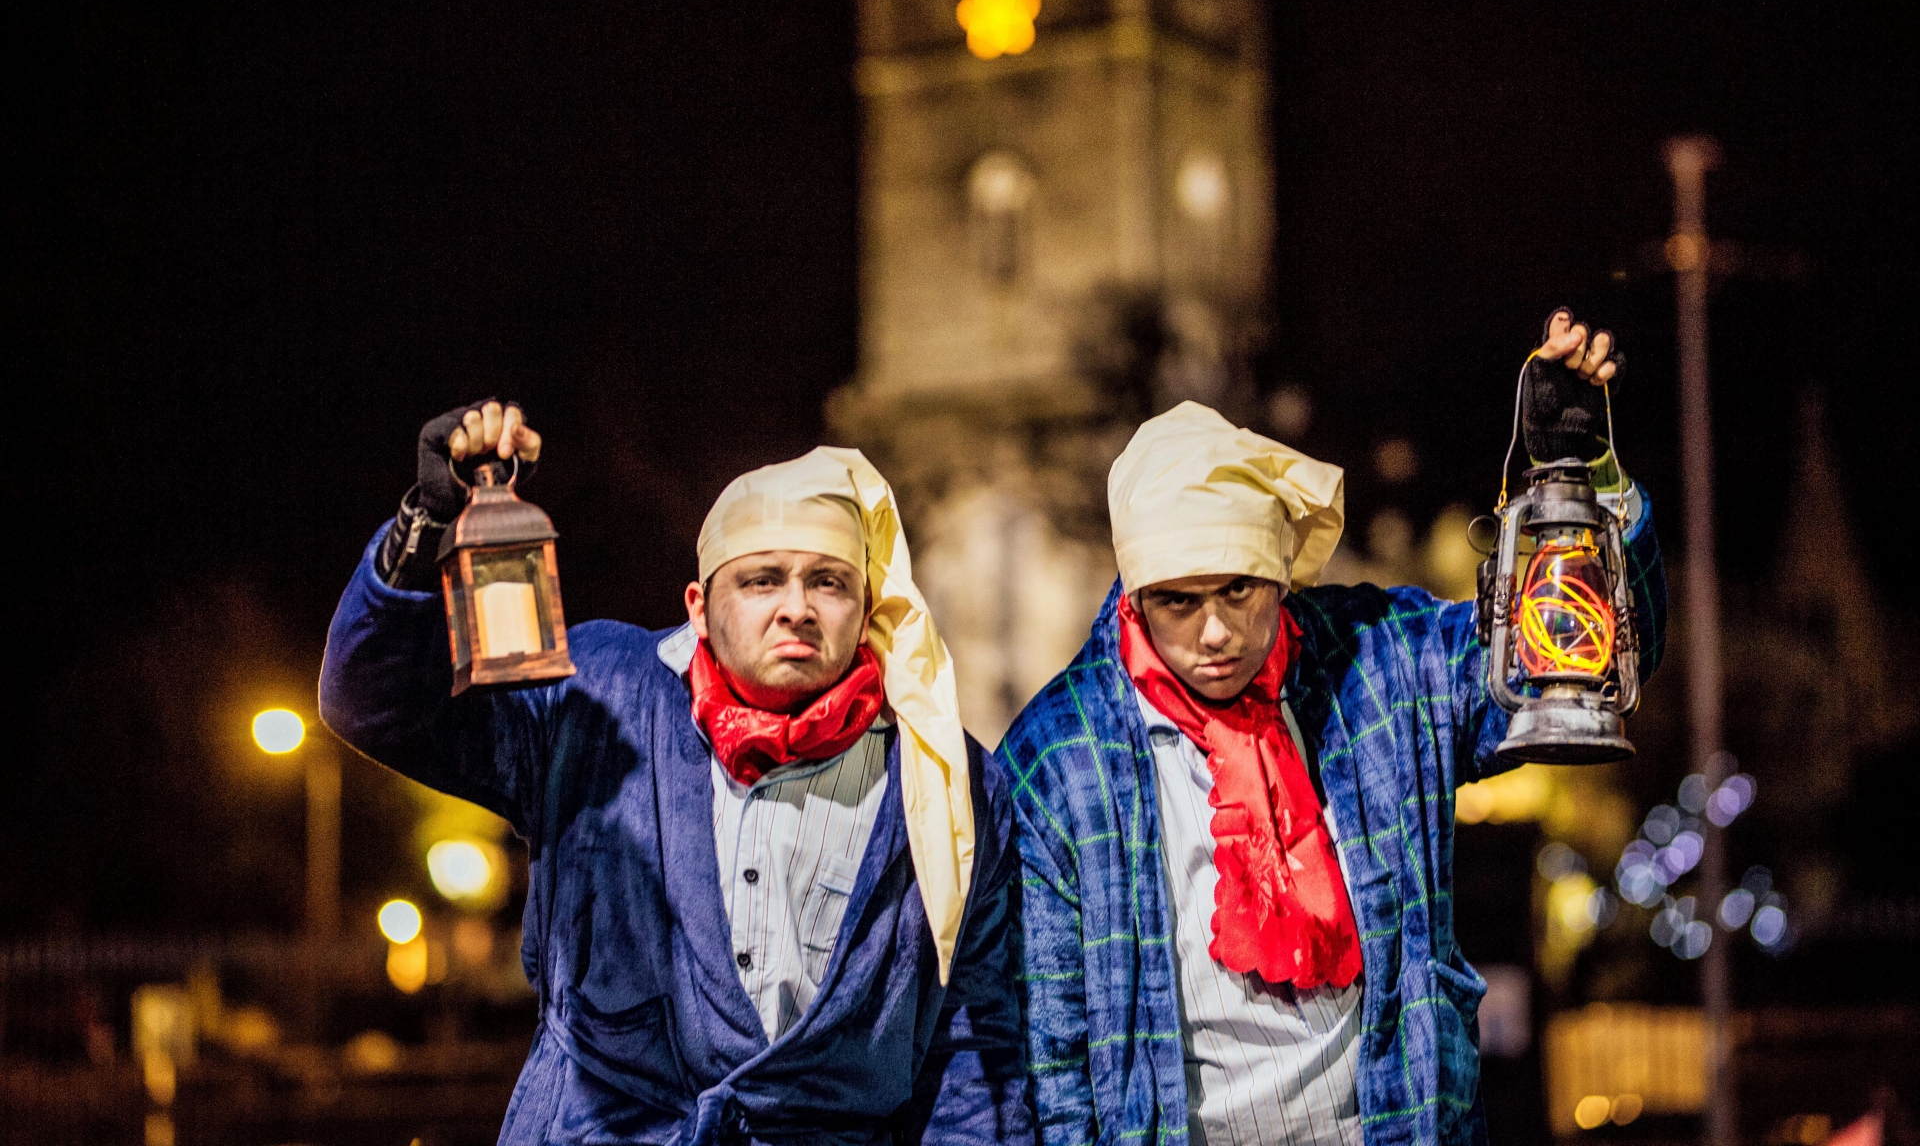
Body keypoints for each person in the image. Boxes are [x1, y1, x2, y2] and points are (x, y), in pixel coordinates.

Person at [997, 313, 1666, 1146]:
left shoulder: (1378, 664)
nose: (1214, 633)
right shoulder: (1057, 759)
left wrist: (1579, 485)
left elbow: (1570, 665)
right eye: (1179, 601)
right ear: (1134, 597)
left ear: (1279, 573)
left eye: (1239, 591)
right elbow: (1051, 1058)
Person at [320, 401, 1032, 1144]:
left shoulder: (945, 782)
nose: (797, 608)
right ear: (699, 605)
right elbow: (376, 704)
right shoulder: (597, 697)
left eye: (828, 582)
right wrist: (428, 525)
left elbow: (973, 1053)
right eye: (761, 581)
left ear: (866, 605)